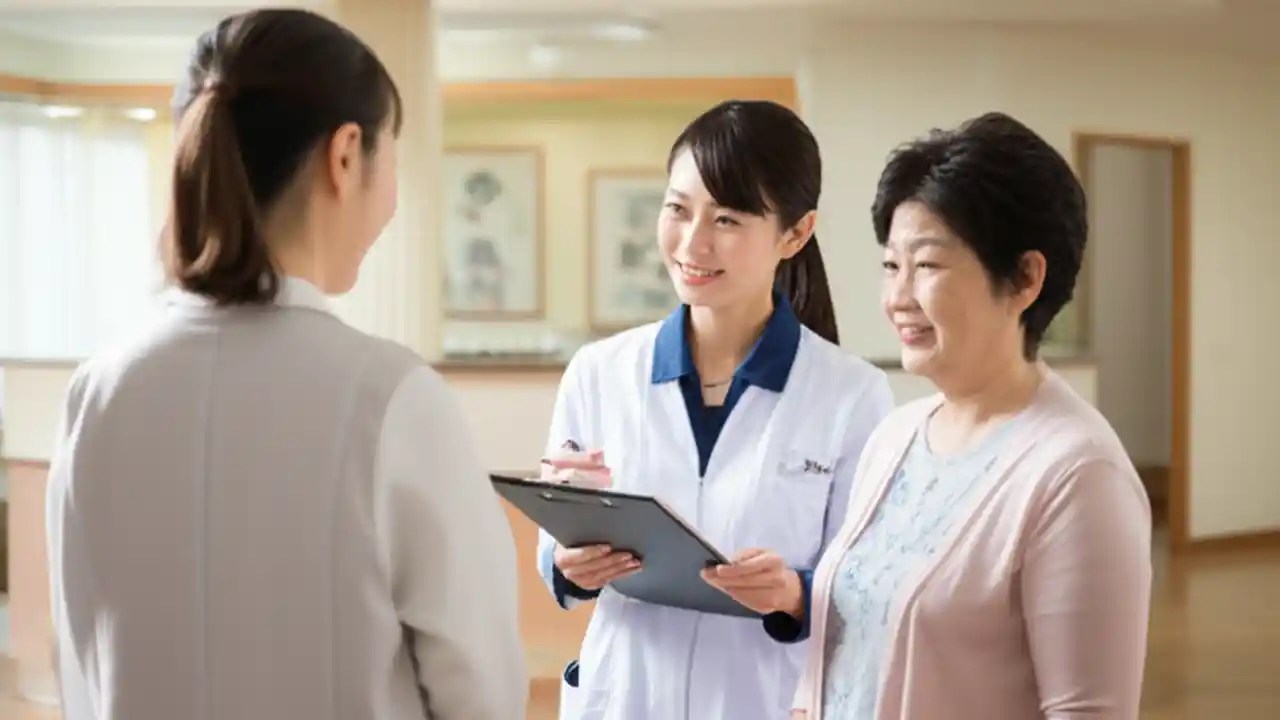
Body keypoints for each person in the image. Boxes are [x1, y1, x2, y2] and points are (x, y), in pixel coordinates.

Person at [44, 9, 526, 719]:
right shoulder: (391, 398)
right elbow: (480, 692)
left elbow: (81, 668)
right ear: (345, 154)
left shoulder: (99, 392)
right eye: (394, 154)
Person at [536, 100, 896, 720]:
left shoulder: (851, 396)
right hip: (622, 698)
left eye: (727, 218)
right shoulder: (599, 373)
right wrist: (571, 567)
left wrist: (792, 592)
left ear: (796, 232)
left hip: (762, 699)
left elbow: (866, 588)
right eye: (678, 209)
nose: (693, 241)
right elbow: (555, 555)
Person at [789, 112, 1152, 719]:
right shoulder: (896, 436)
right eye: (890, 265)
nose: (899, 297)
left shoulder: (1078, 476)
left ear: (1025, 279)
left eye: (927, 265)